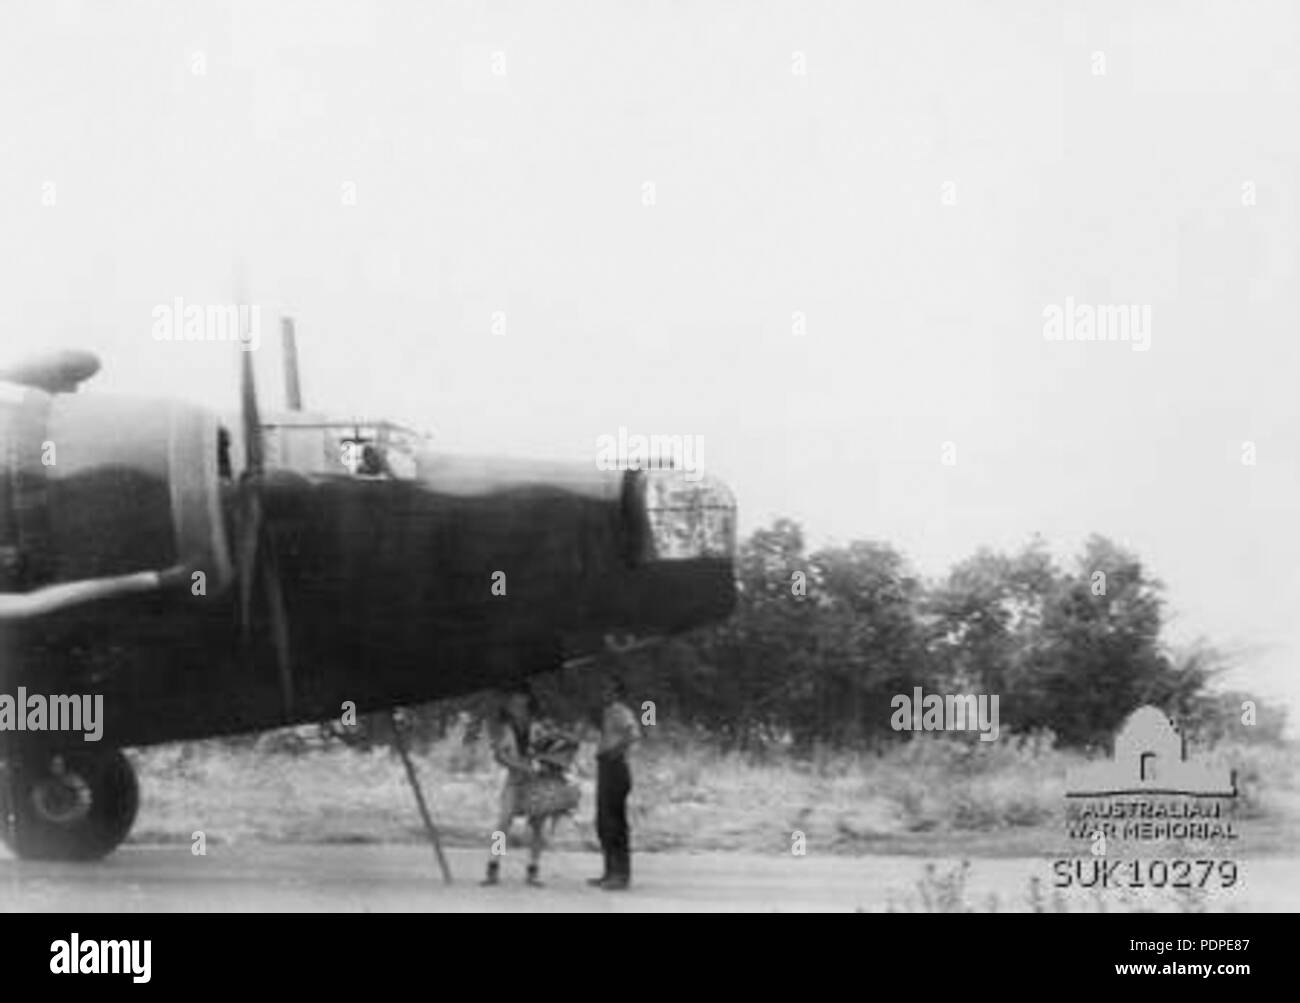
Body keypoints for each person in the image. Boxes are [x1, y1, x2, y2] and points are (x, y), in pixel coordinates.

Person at [481, 684, 578, 887]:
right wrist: (522, 766)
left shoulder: (539, 727)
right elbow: (499, 756)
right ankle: (493, 864)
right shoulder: (504, 729)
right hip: (515, 780)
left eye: (519, 701)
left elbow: (564, 744)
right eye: (512, 702)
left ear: (527, 702)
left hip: (537, 781)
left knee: (536, 826)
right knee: (504, 822)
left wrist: (555, 753)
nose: (515, 706)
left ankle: (533, 869)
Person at [589, 676, 640, 890]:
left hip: (615, 767)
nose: (603, 693)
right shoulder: (608, 711)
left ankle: (620, 875)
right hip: (606, 767)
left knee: (614, 823)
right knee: (603, 822)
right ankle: (610, 871)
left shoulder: (620, 710)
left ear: (617, 692)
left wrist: (613, 752)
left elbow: (634, 734)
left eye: (608, 689)